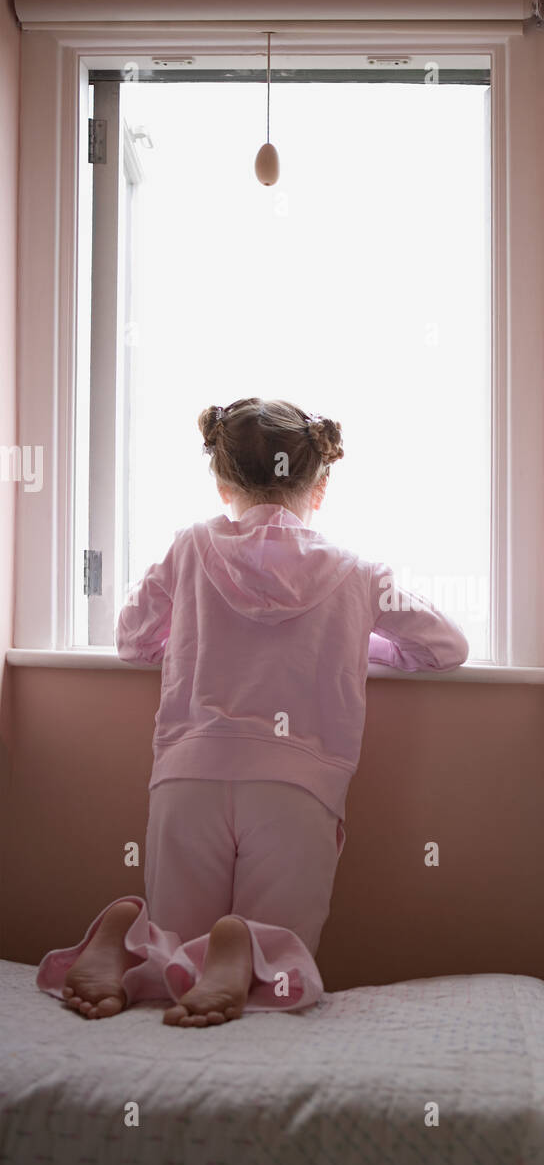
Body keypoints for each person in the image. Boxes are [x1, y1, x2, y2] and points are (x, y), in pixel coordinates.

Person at [36, 397, 468, 1027]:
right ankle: (248, 946)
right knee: (282, 965)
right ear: (318, 488)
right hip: (296, 787)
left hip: (191, 774)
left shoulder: (190, 547)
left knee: (179, 951)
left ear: (220, 482)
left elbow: (130, 639)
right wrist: (355, 638)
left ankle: (129, 944)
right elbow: (446, 646)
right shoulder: (356, 571)